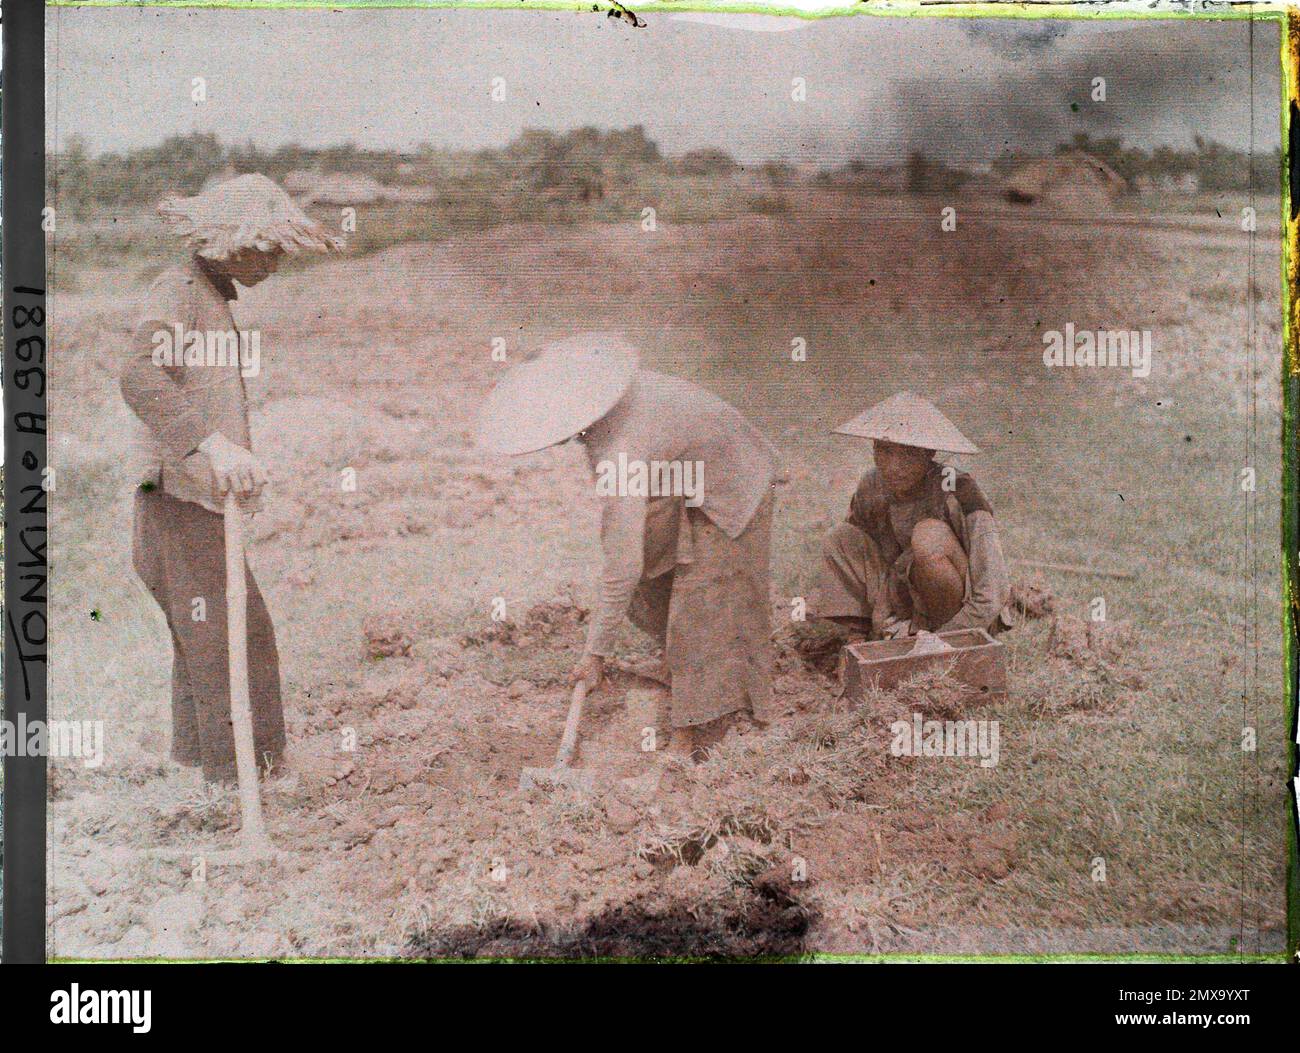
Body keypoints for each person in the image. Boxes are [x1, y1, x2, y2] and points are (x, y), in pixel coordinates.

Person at [121, 174, 343, 783]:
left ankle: (206, 775)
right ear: (229, 242)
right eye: (265, 247)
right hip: (174, 500)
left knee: (210, 636)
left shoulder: (211, 300)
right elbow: (141, 377)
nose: (275, 261)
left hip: (194, 500)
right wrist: (213, 445)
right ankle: (246, 780)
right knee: (231, 638)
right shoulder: (179, 292)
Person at [477, 333, 783, 760]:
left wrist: (595, 654)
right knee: (649, 582)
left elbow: (622, 564)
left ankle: (691, 734)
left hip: (734, 479)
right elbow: (623, 542)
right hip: (679, 479)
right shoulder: (606, 418)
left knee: (700, 599)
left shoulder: (621, 445)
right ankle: (686, 667)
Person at [814, 392, 1011, 640]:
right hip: (903, 600)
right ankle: (862, 638)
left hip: (961, 618)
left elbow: (992, 593)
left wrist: (943, 641)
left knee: (929, 535)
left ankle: (941, 644)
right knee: (840, 538)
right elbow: (860, 558)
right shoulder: (872, 485)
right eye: (884, 450)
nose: (894, 466)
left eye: (908, 453)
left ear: (929, 453)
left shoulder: (959, 489)